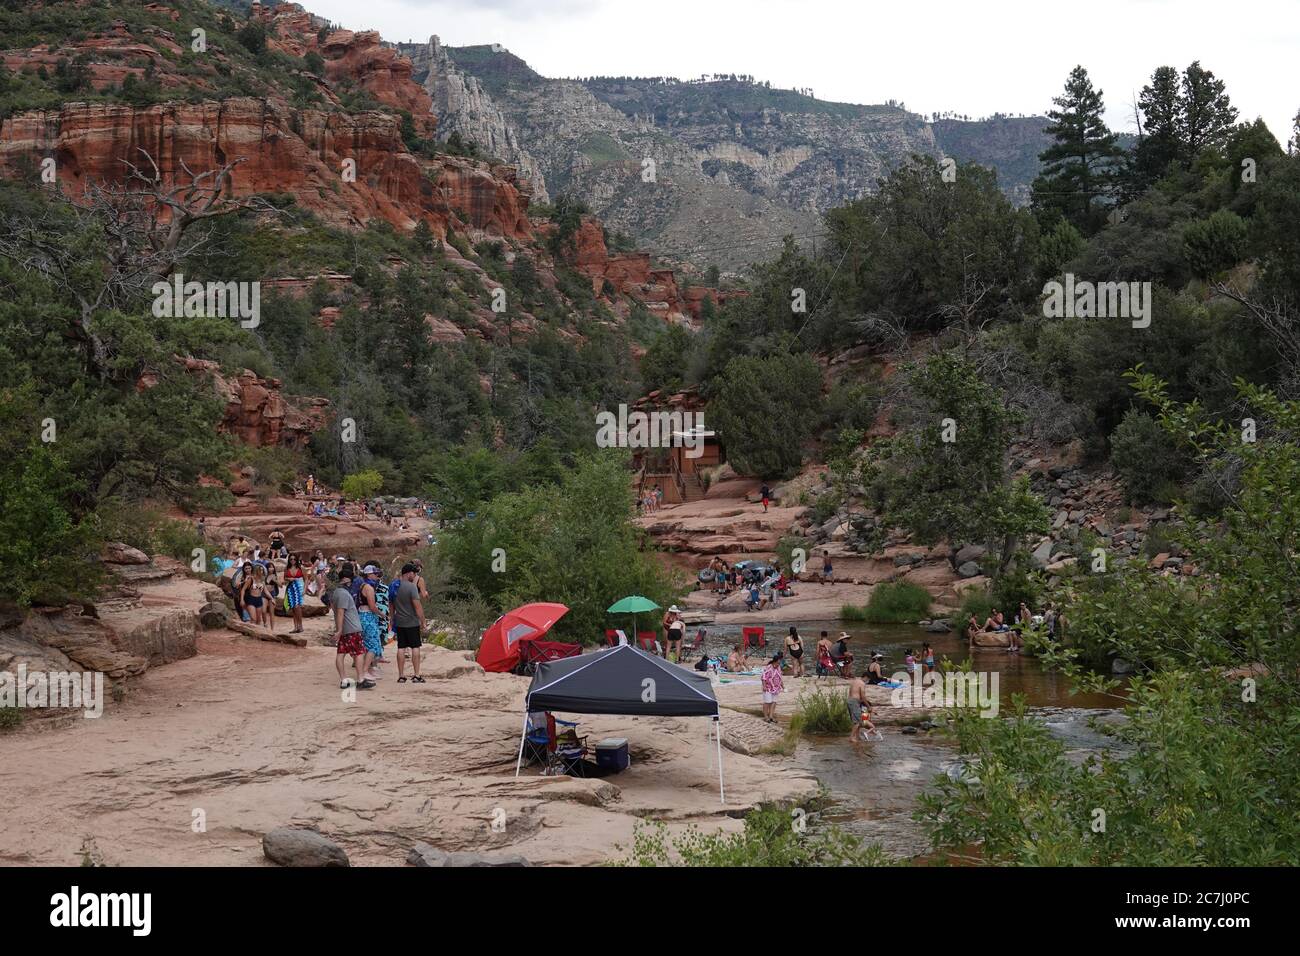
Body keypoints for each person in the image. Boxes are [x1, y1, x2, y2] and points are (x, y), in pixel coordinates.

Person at [330, 564, 372, 690]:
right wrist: (340, 630)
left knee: (341, 653)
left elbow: (335, 610)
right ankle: (360, 679)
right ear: (346, 580)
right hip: (351, 629)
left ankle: (344, 680)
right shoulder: (343, 594)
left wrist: (339, 629)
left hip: (345, 629)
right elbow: (341, 611)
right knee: (359, 653)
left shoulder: (337, 592)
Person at [391, 563, 426, 683]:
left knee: (401, 647)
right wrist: (423, 621)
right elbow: (418, 606)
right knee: (415, 647)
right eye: (414, 573)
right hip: (412, 622)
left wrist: (392, 619)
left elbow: (391, 605)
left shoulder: (394, 586)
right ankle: (416, 675)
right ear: (408, 573)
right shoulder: (411, 587)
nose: (415, 575)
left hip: (399, 622)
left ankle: (401, 675)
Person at [356, 565, 384, 681]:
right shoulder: (369, 588)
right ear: (369, 574)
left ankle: (368, 670)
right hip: (368, 617)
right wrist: (382, 614)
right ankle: (365, 670)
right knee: (372, 645)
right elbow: (372, 606)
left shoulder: (362, 585)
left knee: (368, 644)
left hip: (363, 615)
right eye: (375, 574)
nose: (377, 576)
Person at [846, 669, 877, 743]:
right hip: (854, 702)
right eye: (868, 679)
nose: (868, 681)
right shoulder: (862, 683)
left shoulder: (855, 681)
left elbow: (855, 694)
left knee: (857, 721)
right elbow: (863, 697)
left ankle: (857, 736)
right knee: (857, 722)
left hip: (849, 701)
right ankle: (851, 738)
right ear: (866, 677)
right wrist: (869, 707)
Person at [284, 553, 305, 633]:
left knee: (297, 607)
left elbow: (306, 579)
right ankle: (296, 627)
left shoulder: (301, 568)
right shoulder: (286, 568)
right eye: (291, 559)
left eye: (294, 559)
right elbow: (284, 578)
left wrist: (305, 590)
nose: (293, 561)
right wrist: (289, 579)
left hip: (299, 587)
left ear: (297, 560)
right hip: (290, 588)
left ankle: (300, 625)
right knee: (293, 608)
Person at [761, 654, 784, 723]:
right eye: (778, 663)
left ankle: (771, 716)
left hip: (776, 688)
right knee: (767, 702)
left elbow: (780, 678)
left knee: (774, 702)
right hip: (768, 687)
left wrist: (783, 686)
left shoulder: (778, 668)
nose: (779, 664)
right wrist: (764, 686)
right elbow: (763, 677)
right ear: (774, 662)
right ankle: (765, 716)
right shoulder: (768, 668)